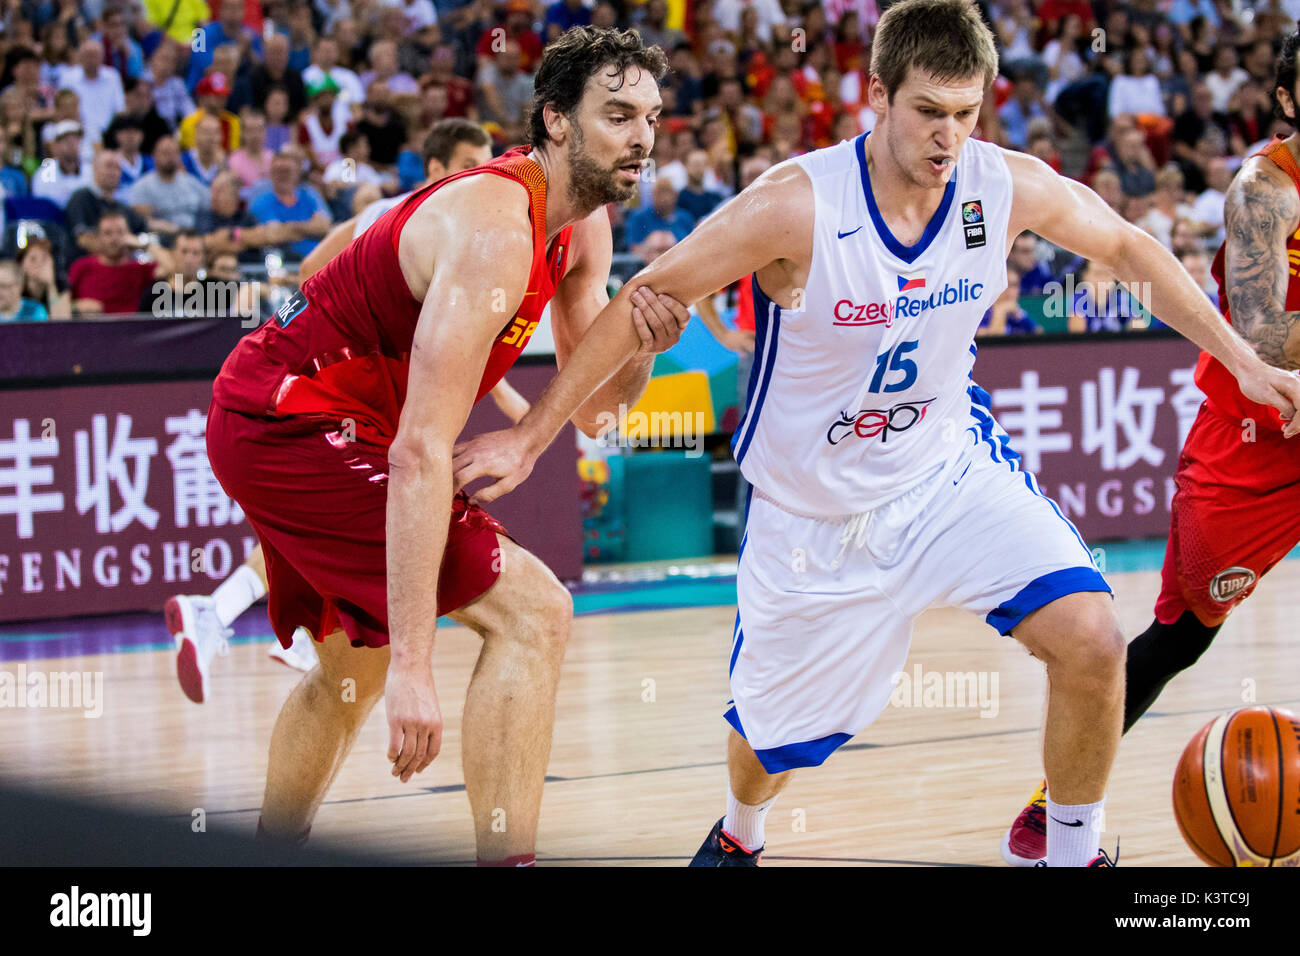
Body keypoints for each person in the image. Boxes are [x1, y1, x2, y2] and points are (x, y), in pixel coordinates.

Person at [449, 0, 1300, 868]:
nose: (948, 137)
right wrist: (530, 439)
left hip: (944, 473)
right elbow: (640, 301)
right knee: (770, 747)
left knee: (1090, 638)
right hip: (813, 515)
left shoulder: (1001, 184)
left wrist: (1241, 360)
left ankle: (1065, 852)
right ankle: (742, 832)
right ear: (877, 95)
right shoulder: (794, 206)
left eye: (966, 114)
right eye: (928, 112)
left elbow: (1126, 252)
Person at [204, 27, 688, 865]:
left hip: (315, 419)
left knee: (349, 670)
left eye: (650, 116)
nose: (641, 137)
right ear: (557, 122)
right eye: (616, 115)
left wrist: (643, 346)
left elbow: (598, 416)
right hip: (286, 413)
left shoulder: (587, 232)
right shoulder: (499, 226)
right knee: (535, 615)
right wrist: (417, 667)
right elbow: (422, 452)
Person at [1001, 26, 1300, 867]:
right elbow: (1269, 339)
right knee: (1183, 632)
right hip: (1255, 437)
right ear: (1285, 99)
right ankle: (1051, 810)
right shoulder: (1262, 192)